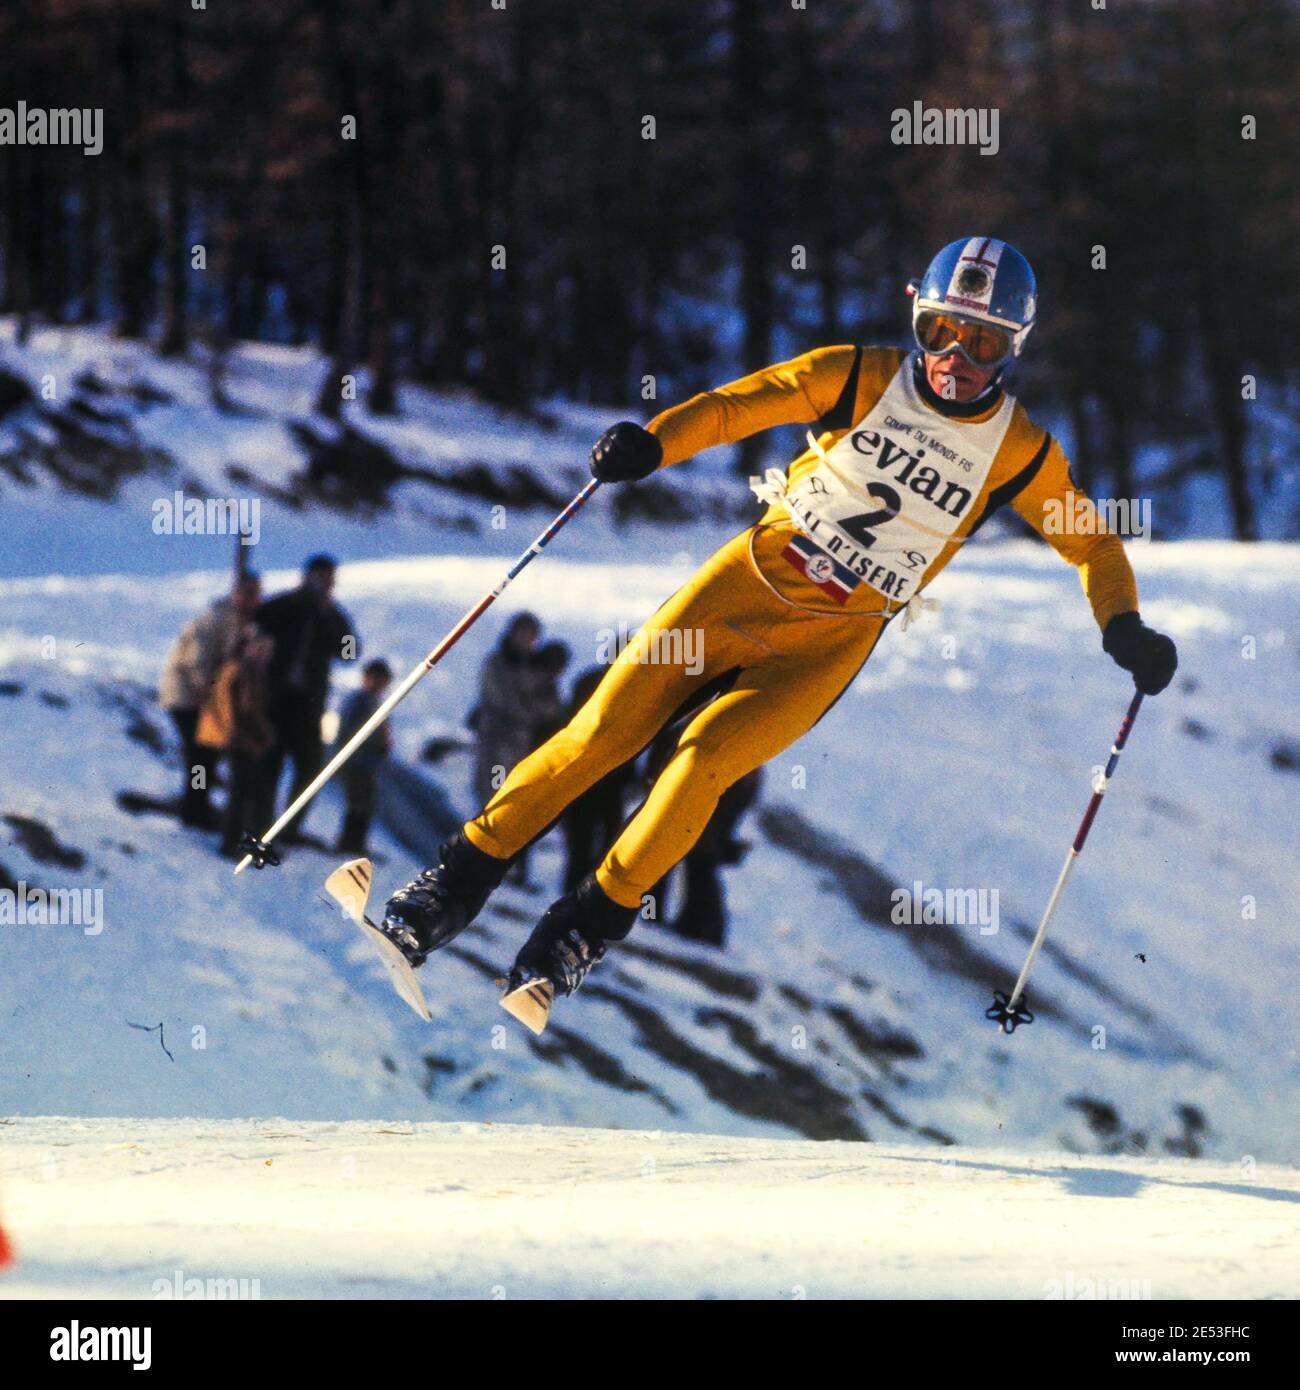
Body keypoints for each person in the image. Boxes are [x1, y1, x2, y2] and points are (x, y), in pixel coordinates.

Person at [379, 237, 1178, 1028]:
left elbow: (1093, 542)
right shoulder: (859, 374)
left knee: (701, 767)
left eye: (983, 343)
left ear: (1012, 352)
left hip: (826, 645)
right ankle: (447, 890)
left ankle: (578, 933)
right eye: (942, 331)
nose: (956, 359)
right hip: (742, 587)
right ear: (918, 321)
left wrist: (1124, 623)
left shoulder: (1020, 452)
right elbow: (736, 407)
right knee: (603, 733)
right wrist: (657, 443)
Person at [257, 554, 356, 840]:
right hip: (275, 700)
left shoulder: (334, 615)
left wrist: (331, 620)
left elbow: (350, 652)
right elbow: (255, 625)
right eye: (319, 578)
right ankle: (263, 825)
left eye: (328, 580)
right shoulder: (283, 605)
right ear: (307, 577)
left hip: (309, 705)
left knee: (310, 769)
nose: (324, 585)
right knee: (269, 765)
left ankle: (288, 829)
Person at [159, 571, 262, 827]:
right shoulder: (215, 618)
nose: (253, 598)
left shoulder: (242, 622)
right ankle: (194, 810)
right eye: (248, 592)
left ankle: (197, 805)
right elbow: (196, 662)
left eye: (255, 593)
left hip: (206, 699)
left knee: (206, 756)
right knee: (199, 756)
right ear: (237, 593)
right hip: (188, 698)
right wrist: (208, 692)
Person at [556, 666, 641, 894]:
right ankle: (574, 895)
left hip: (612, 780)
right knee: (581, 843)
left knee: (605, 844)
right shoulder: (592, 682)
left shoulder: (643, 686)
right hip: (587, 775)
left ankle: (587, 896)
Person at [196, 630, 278, 859]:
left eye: (268, 651)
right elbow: (235, 711)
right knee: (241, 793)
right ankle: (231, 843)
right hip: (237, 739)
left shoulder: (255, 672)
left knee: (248, 792)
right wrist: (254, 737)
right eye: (260, 649)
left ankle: (244, 841)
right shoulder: (240, 671)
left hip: (245, 738)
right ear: (249, 648)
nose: (264, 654)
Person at [334, 659, 393, 856]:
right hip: (356, 762)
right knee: (357, 802)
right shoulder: (358, 701)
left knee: (367, 802)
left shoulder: (374, 702)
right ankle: (348, 843)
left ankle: (356, 843)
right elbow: (347, 731)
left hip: (369, 764)